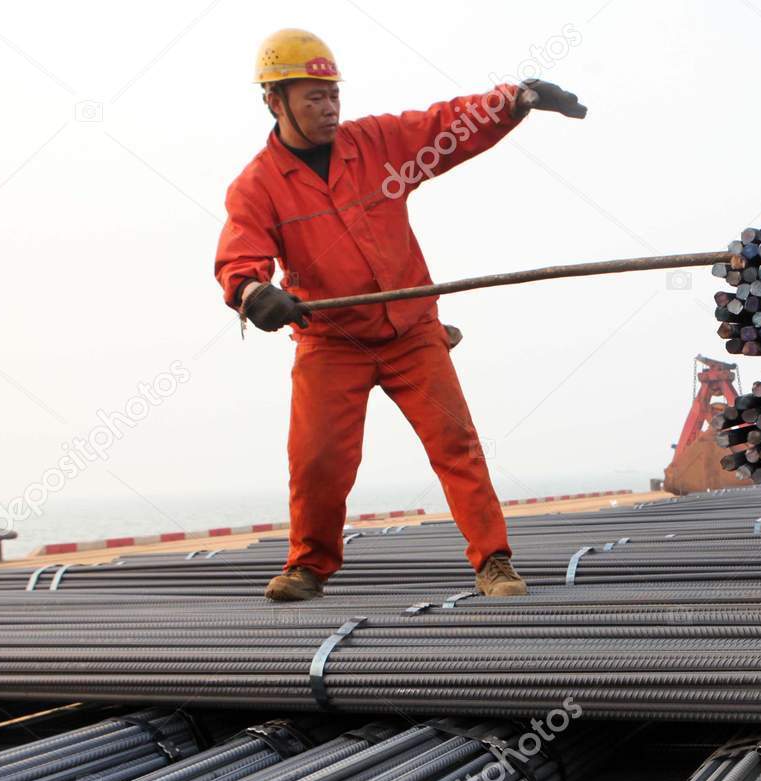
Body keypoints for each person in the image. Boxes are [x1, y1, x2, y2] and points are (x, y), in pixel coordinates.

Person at [214, 29, 586, 601]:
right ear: (274, 100)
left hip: (412, 332)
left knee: (456, 444)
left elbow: (445, 127)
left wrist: (514, 99)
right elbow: (240, 254)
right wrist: (253, 293)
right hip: (331, 342)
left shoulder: (377, 144)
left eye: (333, 94)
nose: (329, 107)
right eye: (313, 97)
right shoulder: (258, 185)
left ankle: (494, 563)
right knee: (317, 461)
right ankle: (307, 567)